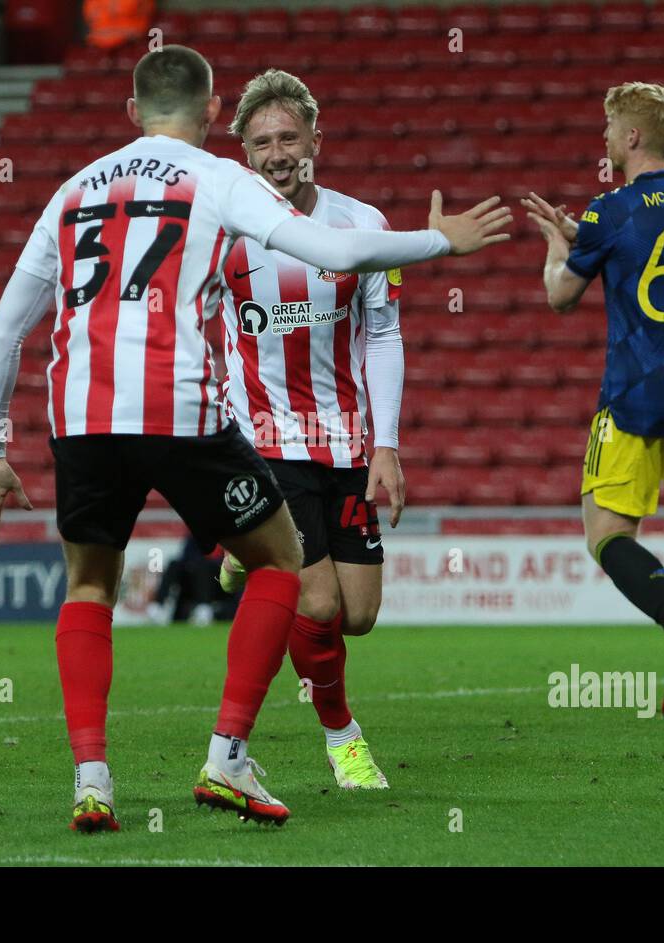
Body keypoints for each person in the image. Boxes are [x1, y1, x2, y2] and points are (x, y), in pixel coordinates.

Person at [0, 44, 511, 832]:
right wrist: (440, 243)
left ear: (130, 113)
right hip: (185, 411)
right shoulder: (220, 180)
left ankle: (92, 781)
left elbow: (1, 334)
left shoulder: (73, 189)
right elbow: (340, 252)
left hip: (82, 417)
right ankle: (227, 759)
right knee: (282, 565)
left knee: (89, 588)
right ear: (217, 116)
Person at [522, 82, 664, 720]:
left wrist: (559, 242)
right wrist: (588, 235)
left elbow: (561, 296)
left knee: (606, 533)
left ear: (630, 137)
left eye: (608, 127)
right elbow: (652, 250)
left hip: (634, 396)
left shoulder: (610, 209)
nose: (603, 137)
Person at [216, 70, 404, 790]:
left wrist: (386, 443)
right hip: (264, 442)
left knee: (357, 616)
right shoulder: (222, 234)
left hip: (349, 444)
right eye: (261, 141)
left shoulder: (361, 225)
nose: (276, 152)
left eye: (288, 136)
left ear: (315, 140)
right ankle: (342, 736)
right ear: (244, 152)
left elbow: (382, 335)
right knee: (315, 602)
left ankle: (239, 554)